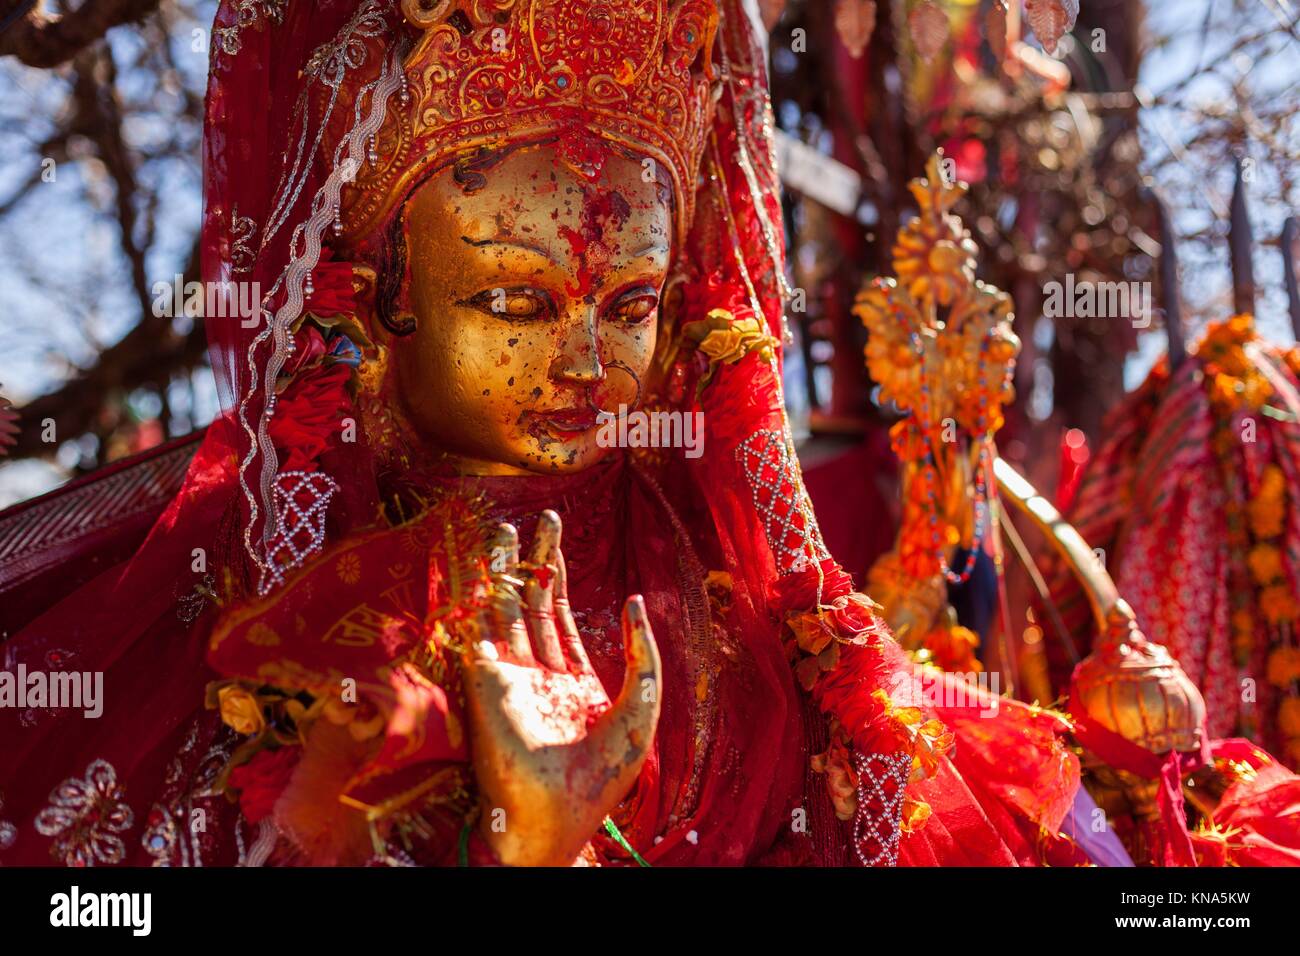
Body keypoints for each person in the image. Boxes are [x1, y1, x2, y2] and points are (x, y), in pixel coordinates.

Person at [0, 0, 1085, 867]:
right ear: (376, 300)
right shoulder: (266, 614)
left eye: (628, 306)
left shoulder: (741, 609)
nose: (583, 365)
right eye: (516, 305)